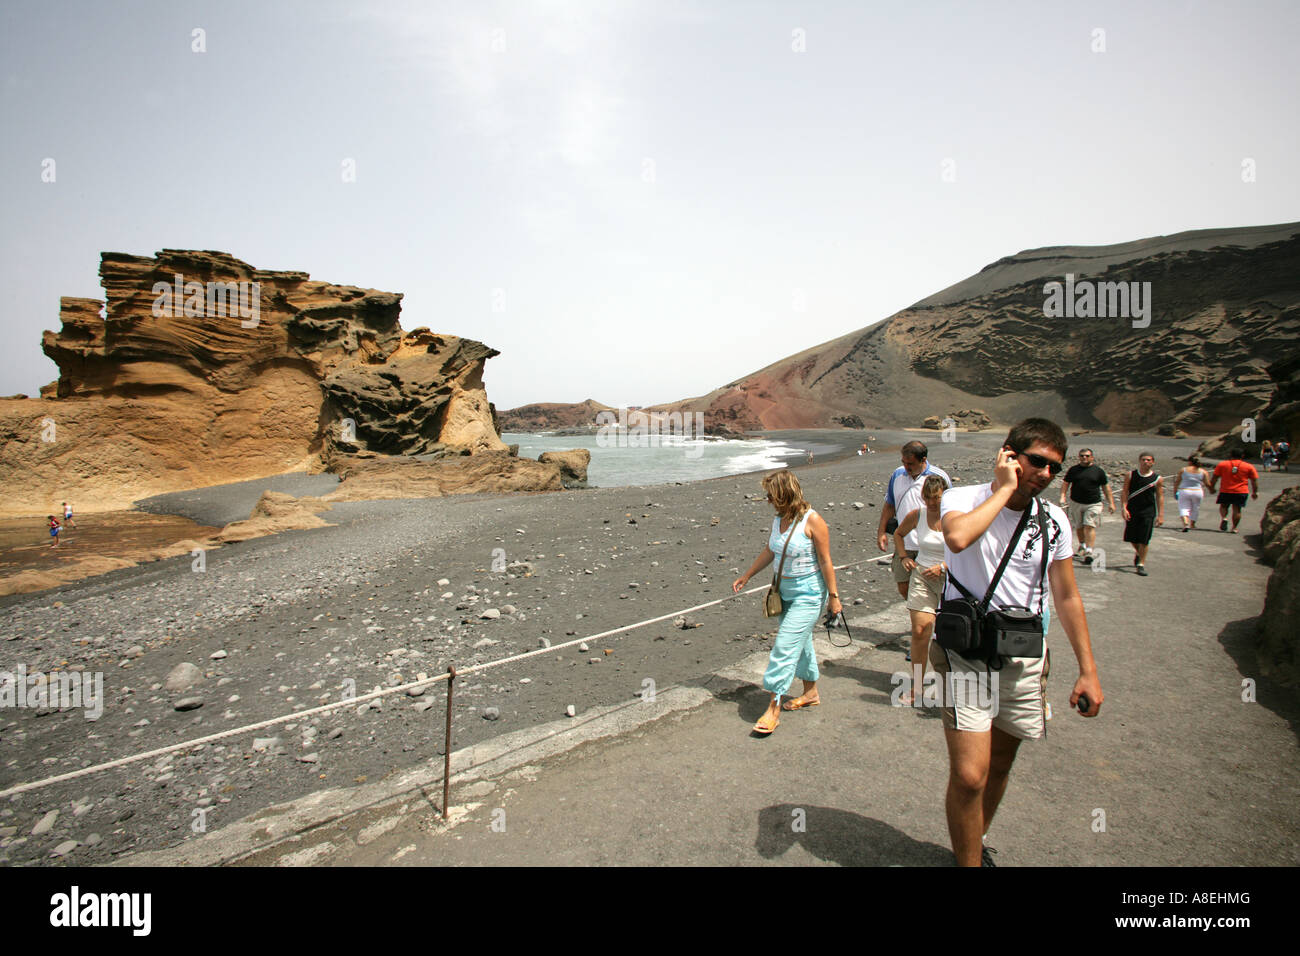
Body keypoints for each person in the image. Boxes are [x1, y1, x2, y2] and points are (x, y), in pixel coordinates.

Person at [932, 417, 1102, 867]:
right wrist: (1005, 490)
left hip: (1022, 653)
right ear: (1008, 455)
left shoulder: (1055, 522)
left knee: (1001, 764)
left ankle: (972, 842)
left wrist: (1088, 671)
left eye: (1054, 469)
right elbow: (958, 537)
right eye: (1037, 462)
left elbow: (1066, 595)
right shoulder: (962, 498)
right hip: (967, 653)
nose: (1046, 475)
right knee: (970, 776)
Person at [733, 470, 842, 734]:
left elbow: (826, 561)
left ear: (784, 494)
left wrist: (835, 598)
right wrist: (747, 575)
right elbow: (772, 550)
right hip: (784, 591)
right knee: (801, 643)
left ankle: (773, 708)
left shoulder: (814, 521)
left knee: (784, 645)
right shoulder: (779, 520)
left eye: (771, 495)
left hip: (810, 594)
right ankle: (811, 692)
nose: (768, 500)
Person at [893, 475, 948, 706]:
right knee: (920, 630)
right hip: (923, 576)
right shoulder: (918, 514)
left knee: (947, 635)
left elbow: (970, 547)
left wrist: (944, 566)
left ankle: (946, 682)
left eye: (936, 498)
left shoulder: (955, 516)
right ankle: (916, 687)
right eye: (927, 498)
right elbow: (898, 534)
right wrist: (904, 556)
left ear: (944, 495)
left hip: (951, 580)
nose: (932, 503)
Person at [878, 441, 951, 599]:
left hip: (932, 544)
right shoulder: (897, 475)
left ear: (923, 460)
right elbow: (889, 504)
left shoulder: (938, 477)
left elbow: (951, 510)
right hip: (904, 541)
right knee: (904, 586)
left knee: (935, 589)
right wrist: (881, 531)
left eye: (910, 463)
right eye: (903, 462)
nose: (906, 467)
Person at [1059, 449, 1115, 564]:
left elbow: (1106, 487)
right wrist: (1063, 496)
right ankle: (1082, 545)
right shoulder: (1073, 470)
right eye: (1082, 456)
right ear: (1079, 457)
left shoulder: (1098, 471)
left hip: (1093, 503)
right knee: (1079, 526)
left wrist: (1111, 503)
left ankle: (1089, 550)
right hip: (1076, 502)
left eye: (1087, 456)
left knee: (1089, 525)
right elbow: (1066, 483)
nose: (1085, 458)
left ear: (1092, 457)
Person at [1120, 453, 1163, 575]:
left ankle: (1141, 564)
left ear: (1153, 462)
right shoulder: (1131, 475)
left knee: (1144, 539)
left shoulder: (1157, 478)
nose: (1146, 462)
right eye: (1143, 460)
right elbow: (1124, 492)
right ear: (1139, 461)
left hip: (1148, 511)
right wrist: (1124, 508)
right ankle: (1139, 552)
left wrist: (1160, 515)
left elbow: (1160, 497)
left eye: (1148, 460)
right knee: (1132, 537)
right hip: (1133, 509)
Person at [1209, 455, 1259, 533]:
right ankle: (1234, 528)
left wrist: (1212, 487)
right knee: (1237, 509)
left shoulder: (1222, 464)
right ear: (1242, 456)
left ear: (1231, 455)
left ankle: (1224, 518)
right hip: (1241, 491)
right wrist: (1255, 492)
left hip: (1225, 490)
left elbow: (1215, 477)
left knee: (1223, 506)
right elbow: (1254, 481)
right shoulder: (1248, 466)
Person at [1172, 456, 1210, 531]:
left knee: (1183, 507)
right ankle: (1192, 524)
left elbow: (1177, 482)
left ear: (1190, 462)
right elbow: (1207, 483)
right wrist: (1211, 489)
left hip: (1184, 490)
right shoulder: (1203, 471)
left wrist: (1175, 491)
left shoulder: (1183, 470)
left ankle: (1186, 523)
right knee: (1196, 507)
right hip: (1197, 491)